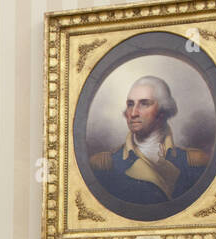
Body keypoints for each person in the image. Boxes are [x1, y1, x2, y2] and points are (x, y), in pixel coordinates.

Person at [87, 76, 209, 205]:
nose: (133, 113)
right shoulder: (104, 165)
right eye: (130, 104)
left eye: (144, 104)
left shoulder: (195, 162)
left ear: (163, 110)